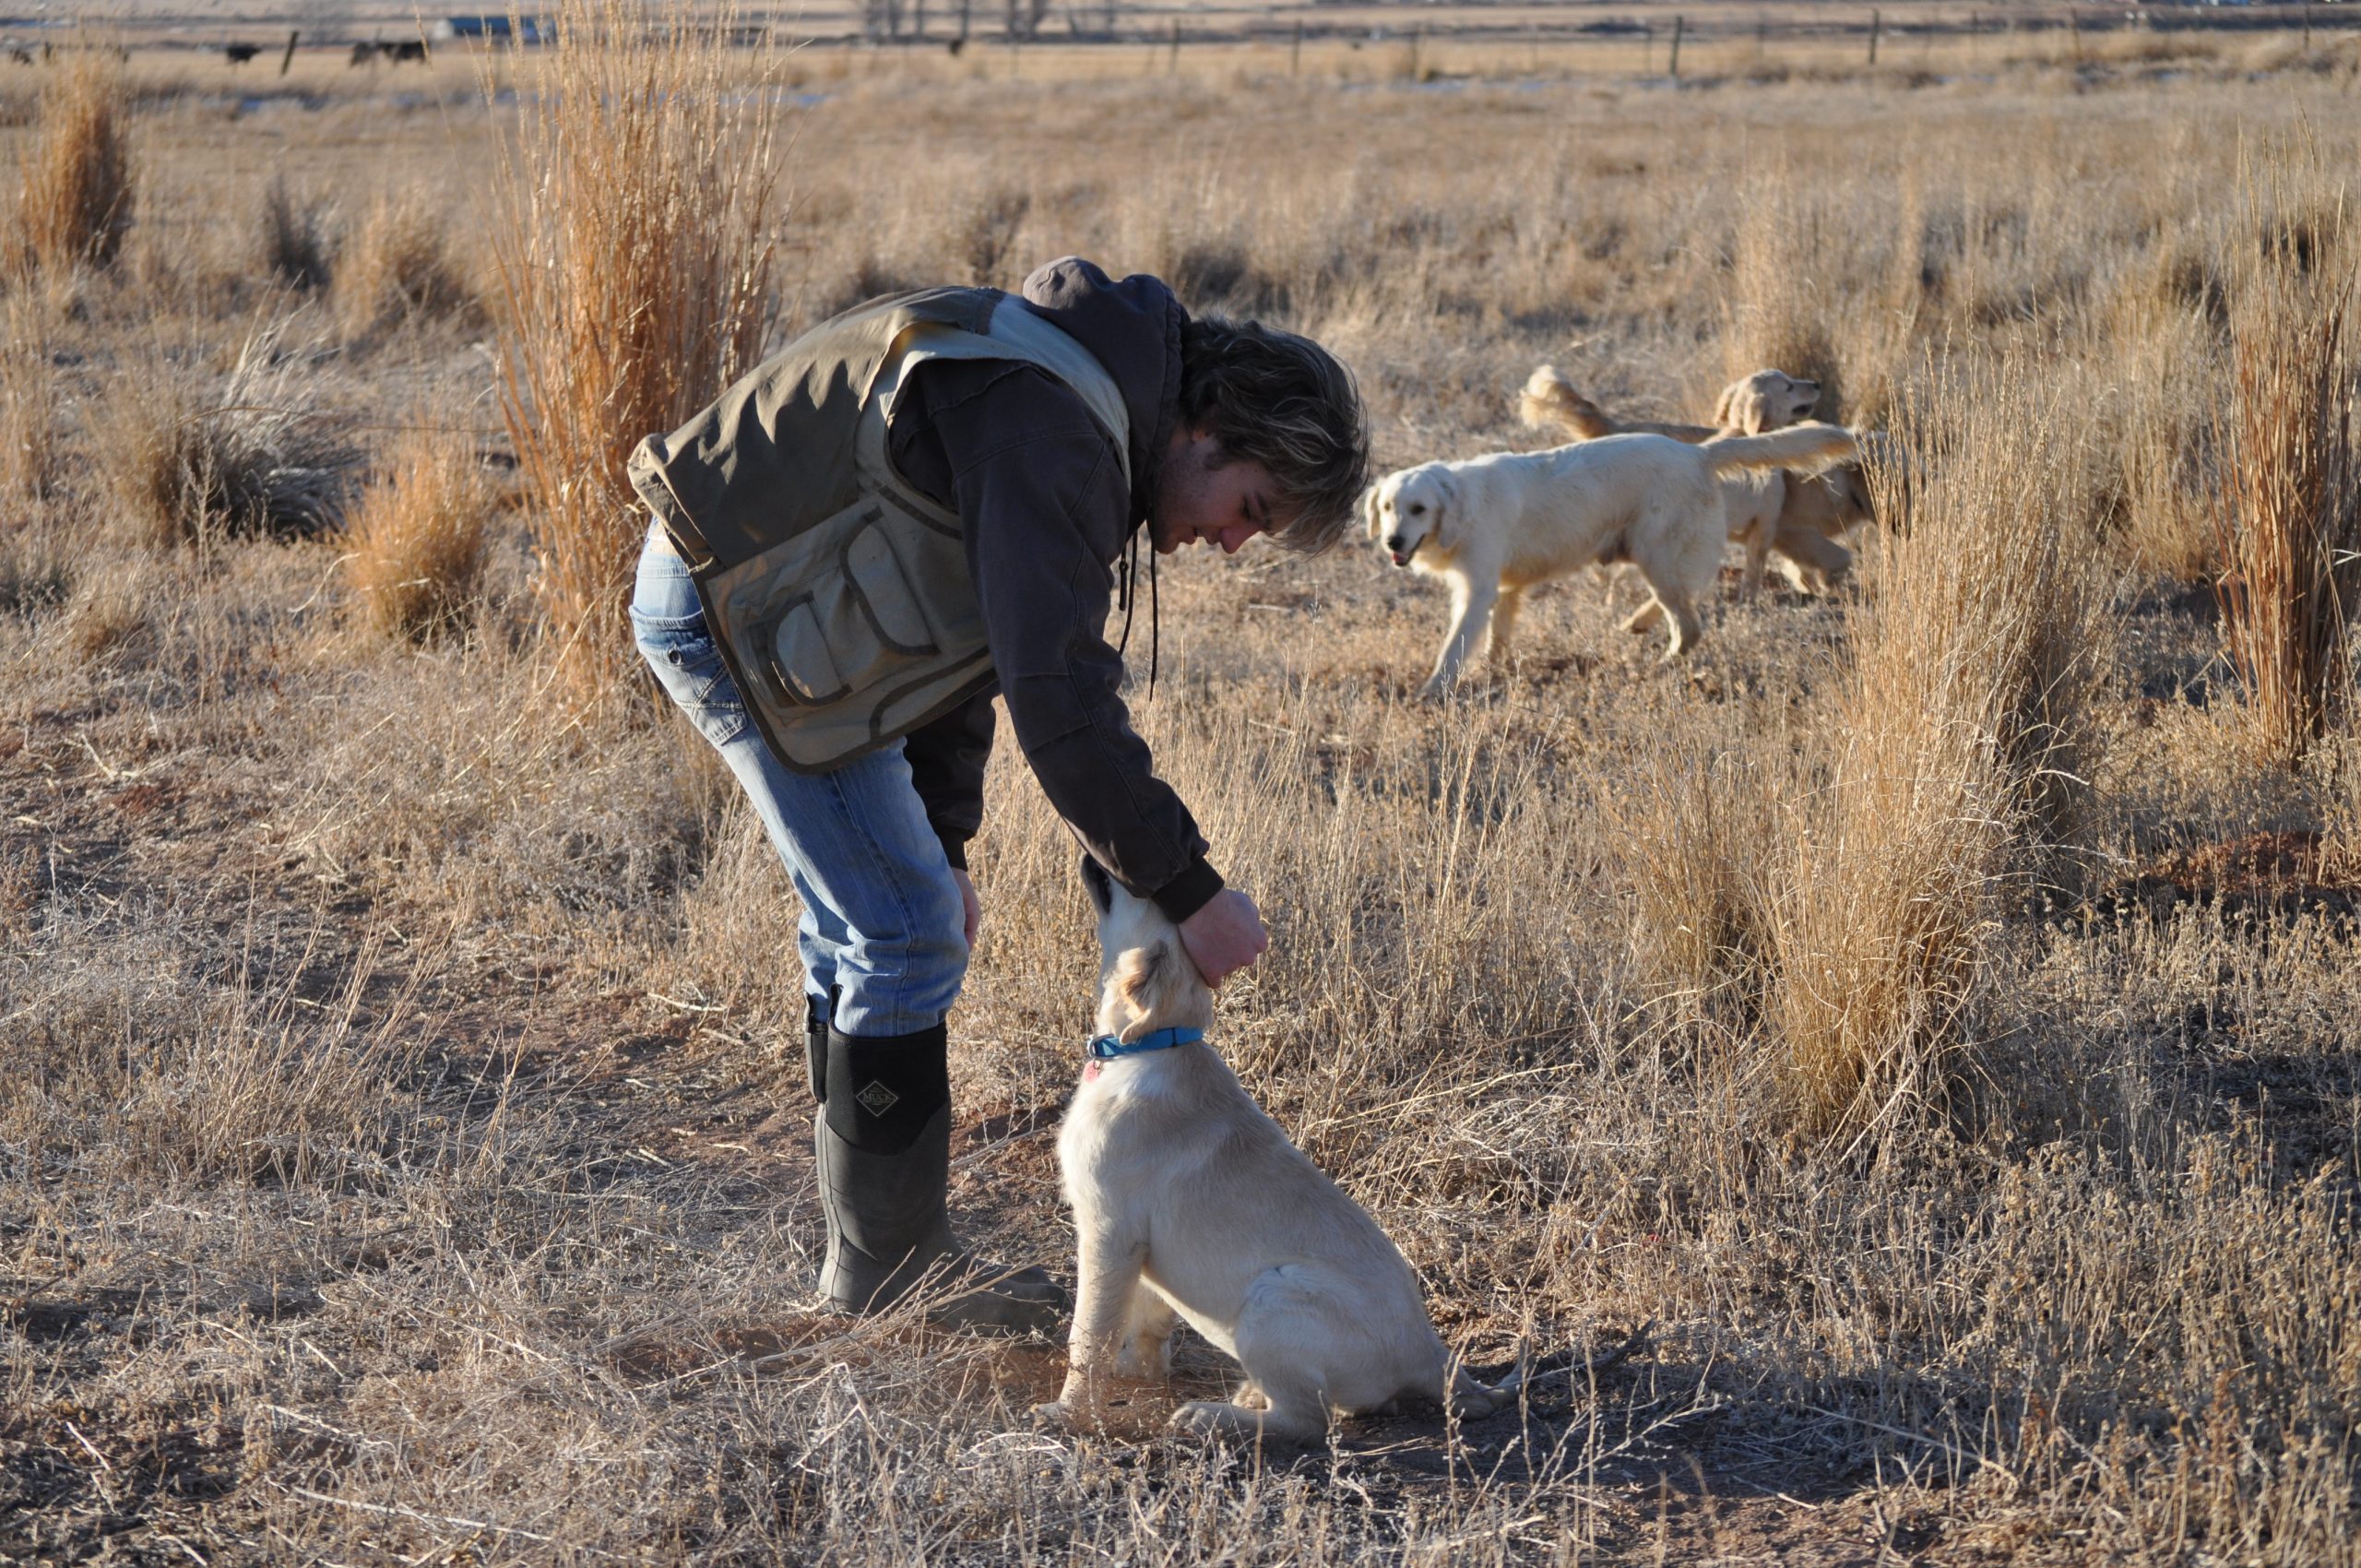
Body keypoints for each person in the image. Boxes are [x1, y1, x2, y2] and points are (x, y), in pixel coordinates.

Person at [626, 256, 1369, 1332]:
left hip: (787, 612)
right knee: (902, 932)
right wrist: (1191, 889)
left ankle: (874, 1259)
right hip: (734, 602)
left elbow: (954, 640)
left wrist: (946, 839)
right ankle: (890, 1279)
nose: (1232, 540)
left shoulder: (1074, 406)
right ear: (1206, 426)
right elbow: (1054, 696)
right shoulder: (1054, 428)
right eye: (1248, 505)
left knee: (890, 915)